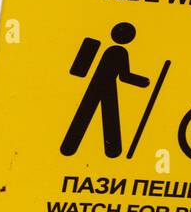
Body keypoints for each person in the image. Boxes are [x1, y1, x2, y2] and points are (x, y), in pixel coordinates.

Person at [60, 22, 149, 158]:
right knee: (106, 116)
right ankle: (110, 150)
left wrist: (142, 82)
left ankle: (70, 147)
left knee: (87, 114)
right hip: (103, 86)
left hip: (100, 86)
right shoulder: (118, 51)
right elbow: (125, 77)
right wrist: (144, 82)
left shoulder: (104, 47)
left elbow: (79, 70)